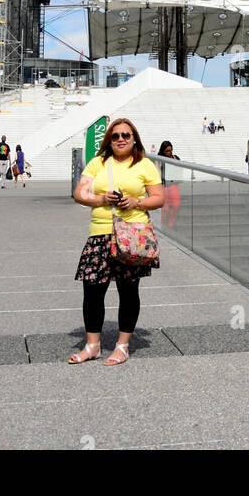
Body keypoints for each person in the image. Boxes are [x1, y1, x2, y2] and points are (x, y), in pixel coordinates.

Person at [69, 117, 164, 366]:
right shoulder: (98, 163)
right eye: (115, 136)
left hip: (131, 235)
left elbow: (158, 198)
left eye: (126, 135)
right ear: (109, 140)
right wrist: (102, 199)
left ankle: (122, 346)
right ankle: (92, 346)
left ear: (134, 139)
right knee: (92, 290)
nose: (121, 139)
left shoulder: (144, 165)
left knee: (128, 290)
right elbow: (80, 193)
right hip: (100, 233)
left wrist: (136, 202)